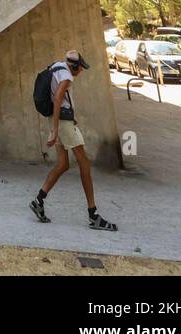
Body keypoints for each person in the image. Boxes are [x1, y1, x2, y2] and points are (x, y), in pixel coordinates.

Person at [29, 49, 117, 231]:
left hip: (60, 120)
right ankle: (93, 215)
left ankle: (39, 200)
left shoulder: (56, 66)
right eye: (81, 68)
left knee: (63, 164)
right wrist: (55, 130)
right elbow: (59, 98)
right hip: (63, 121)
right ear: (75, 67)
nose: (81, 71)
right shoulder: (67, 75)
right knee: (84, 164)